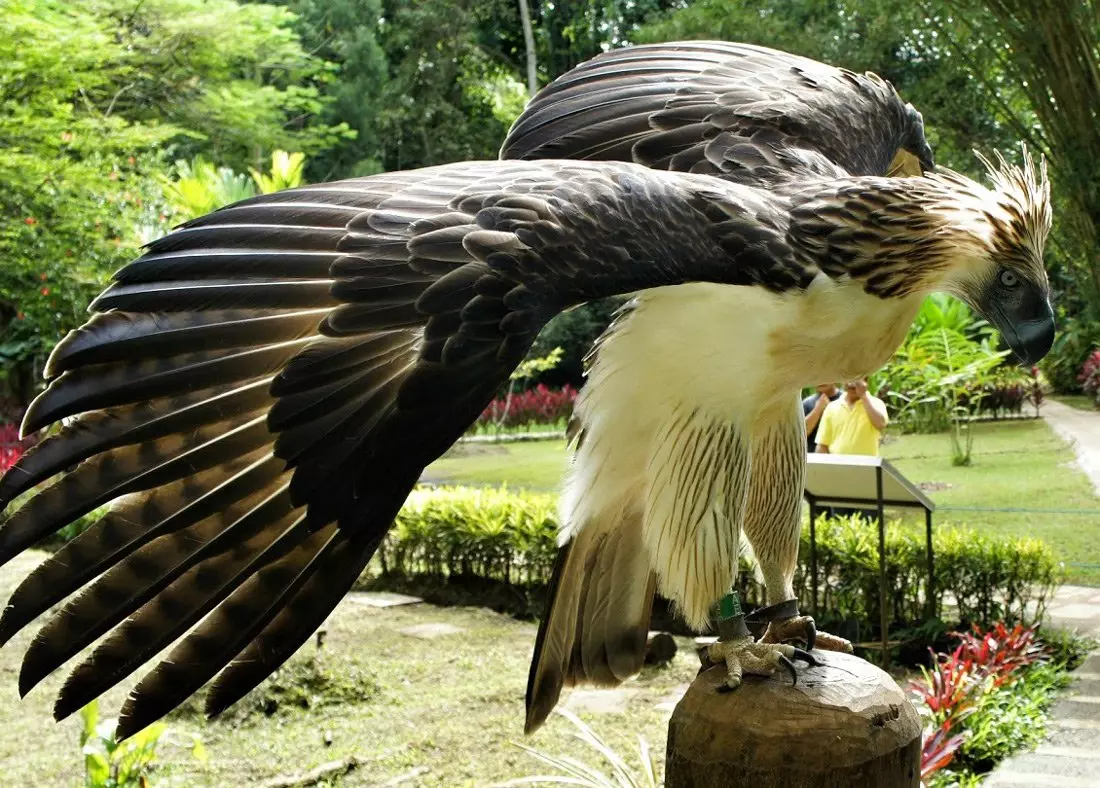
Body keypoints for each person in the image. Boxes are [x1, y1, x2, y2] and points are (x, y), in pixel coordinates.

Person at [815, 378, 888, 457]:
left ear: (865, 381)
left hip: (866, 465)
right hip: (838, 466)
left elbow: (880, 424)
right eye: (850, 379)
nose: (853, 384)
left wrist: (863, 397)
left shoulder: (876, 403)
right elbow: (822, 444)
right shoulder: (832, 407)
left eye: (857, 380)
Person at [802, 383, 842, 453]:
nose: (821, 381)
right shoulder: (807, 403)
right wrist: (817, 409)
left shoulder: (845, 400)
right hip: (812, 459)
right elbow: (800, 434)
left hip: (840, 458)